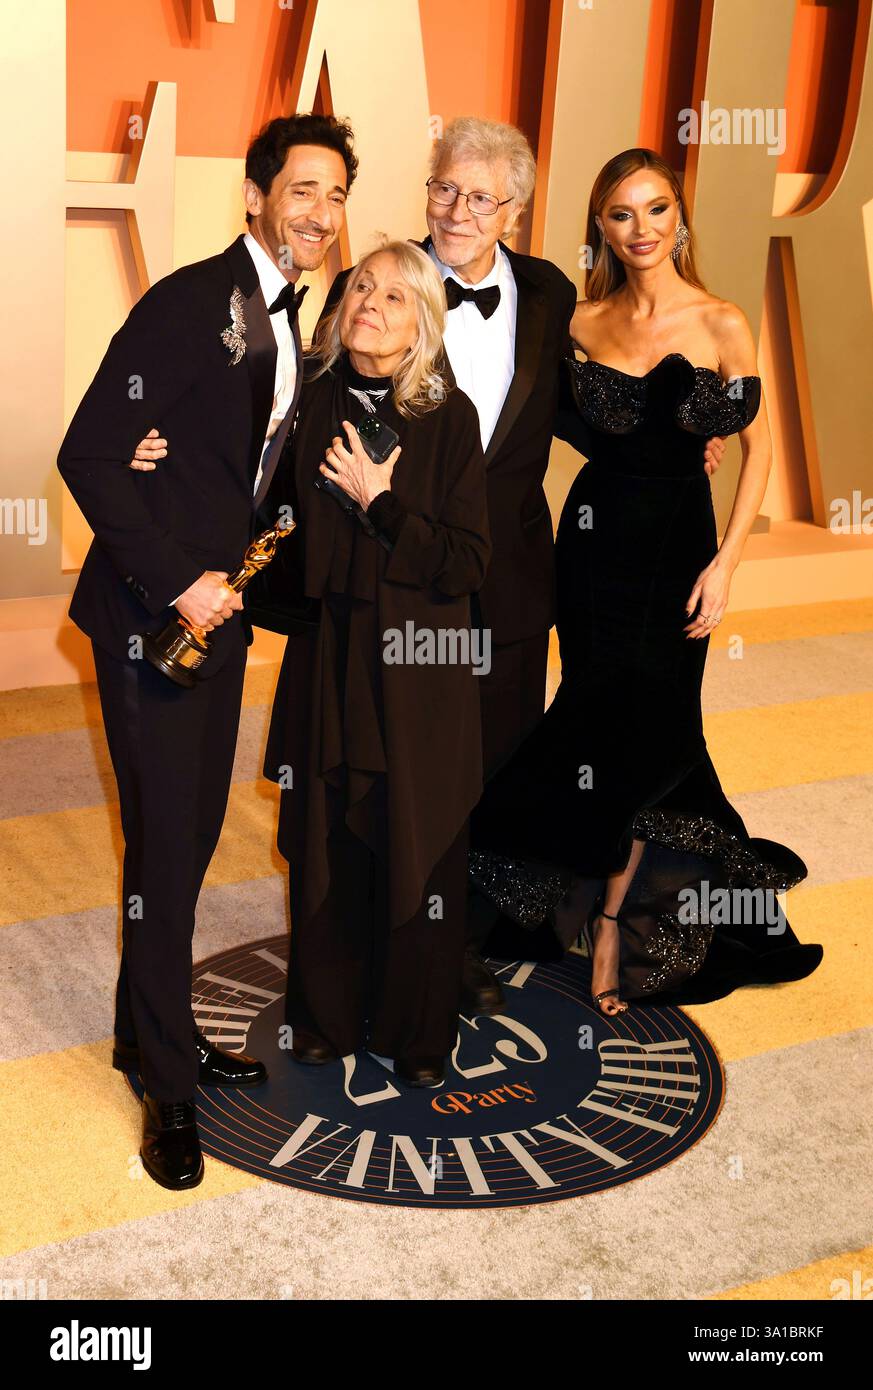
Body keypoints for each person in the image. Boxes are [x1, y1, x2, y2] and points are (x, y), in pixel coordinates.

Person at [316, 117, 727, 1017]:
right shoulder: (379, 281)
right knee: (386, 764)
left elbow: (572, 411)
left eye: (480, 196)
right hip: (391, 585)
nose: (458, 211)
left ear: (516, 208)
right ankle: (369, 946)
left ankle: (454, 946)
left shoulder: (543, 294)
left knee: (488, 771)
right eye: (444, 190)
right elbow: (319, 402)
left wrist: (670, 446)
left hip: (506, 585)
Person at [59, 112, 357, 1189]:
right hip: (153, 618)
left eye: (333, 196)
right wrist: (176, 579)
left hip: (215, 622)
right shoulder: (195, 300)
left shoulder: (297, 317)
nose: (318, 215)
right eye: (302, 190)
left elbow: (244, 466)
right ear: (255, 193)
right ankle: (168, 1095)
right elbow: (89, 447)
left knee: (178, 842)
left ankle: (149, 1037)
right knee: (170, 847)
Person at [467, 147, 823, 1013]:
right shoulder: (579, 322)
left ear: (679, 218)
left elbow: (760, 448)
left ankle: (617, 926)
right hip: (590, 551)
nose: (640, 231)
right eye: (621, 214)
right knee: (591, 718)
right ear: (601, 225)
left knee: (656, 725)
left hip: (679, 551)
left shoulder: (722, 321)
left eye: (655, 210)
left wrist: (728, 560)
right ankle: (582, 901)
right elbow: (525, 422)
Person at [261, 240, 490, 1086]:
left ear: (421, 324)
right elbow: (269, 525)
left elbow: (468, 563)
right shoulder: (309, 402)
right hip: (329, 658)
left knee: (417, 843)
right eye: (363, 287)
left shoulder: (447, 417)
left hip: (419, 673)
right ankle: (322, 1016)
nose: (371, 303)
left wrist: (381, 502)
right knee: (326, 839)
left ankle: (418, 1032)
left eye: (396, 296)